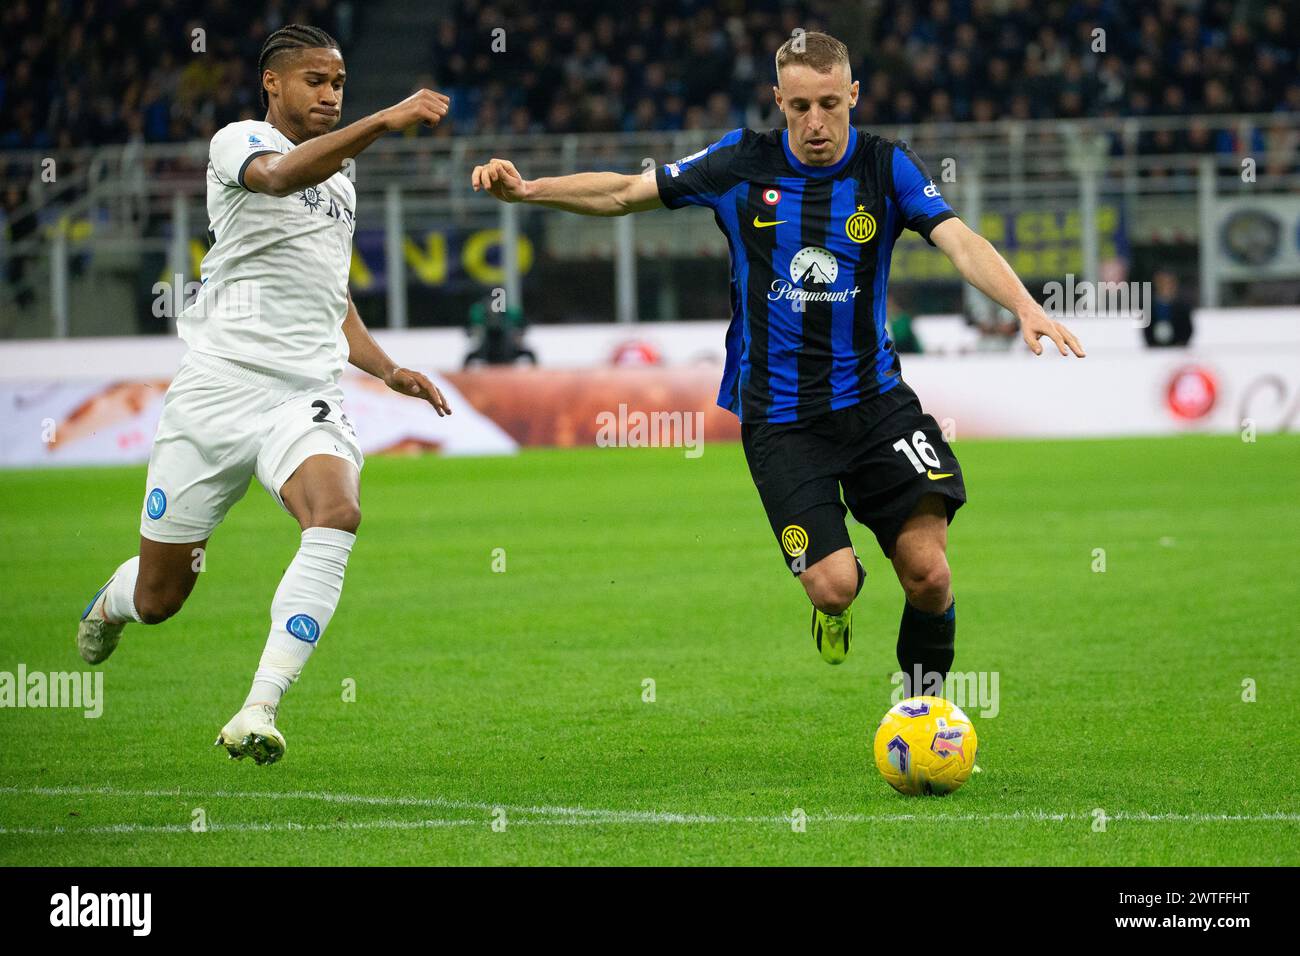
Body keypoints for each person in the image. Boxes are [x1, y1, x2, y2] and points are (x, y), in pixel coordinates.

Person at [472, 31, 1084, 695]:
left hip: (876, 404)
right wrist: (529, 190)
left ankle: (922, 709)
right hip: (781, 419)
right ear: (778, 101)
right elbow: (624, 191)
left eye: (829, 103)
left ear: (853, 94)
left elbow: (959, 239)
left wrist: (1024, 304)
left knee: (929, 574)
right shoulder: (741, 164)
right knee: (833, 588)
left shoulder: (885, 167)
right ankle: (836, 604)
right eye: (799, 107)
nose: (815, 122)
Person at [77, 24, 453, 765]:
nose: (331, 95)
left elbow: (330, 295)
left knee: (337, 510)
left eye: (340, 84)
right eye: (315, 81)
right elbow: (278, 179)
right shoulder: (237, 140)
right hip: (216, 390)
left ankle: (259, 706)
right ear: (273, 86)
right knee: (160, 598)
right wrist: (382, 118)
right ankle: (110, 605)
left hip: (302, 394)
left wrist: (385, 368)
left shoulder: (342, 179)